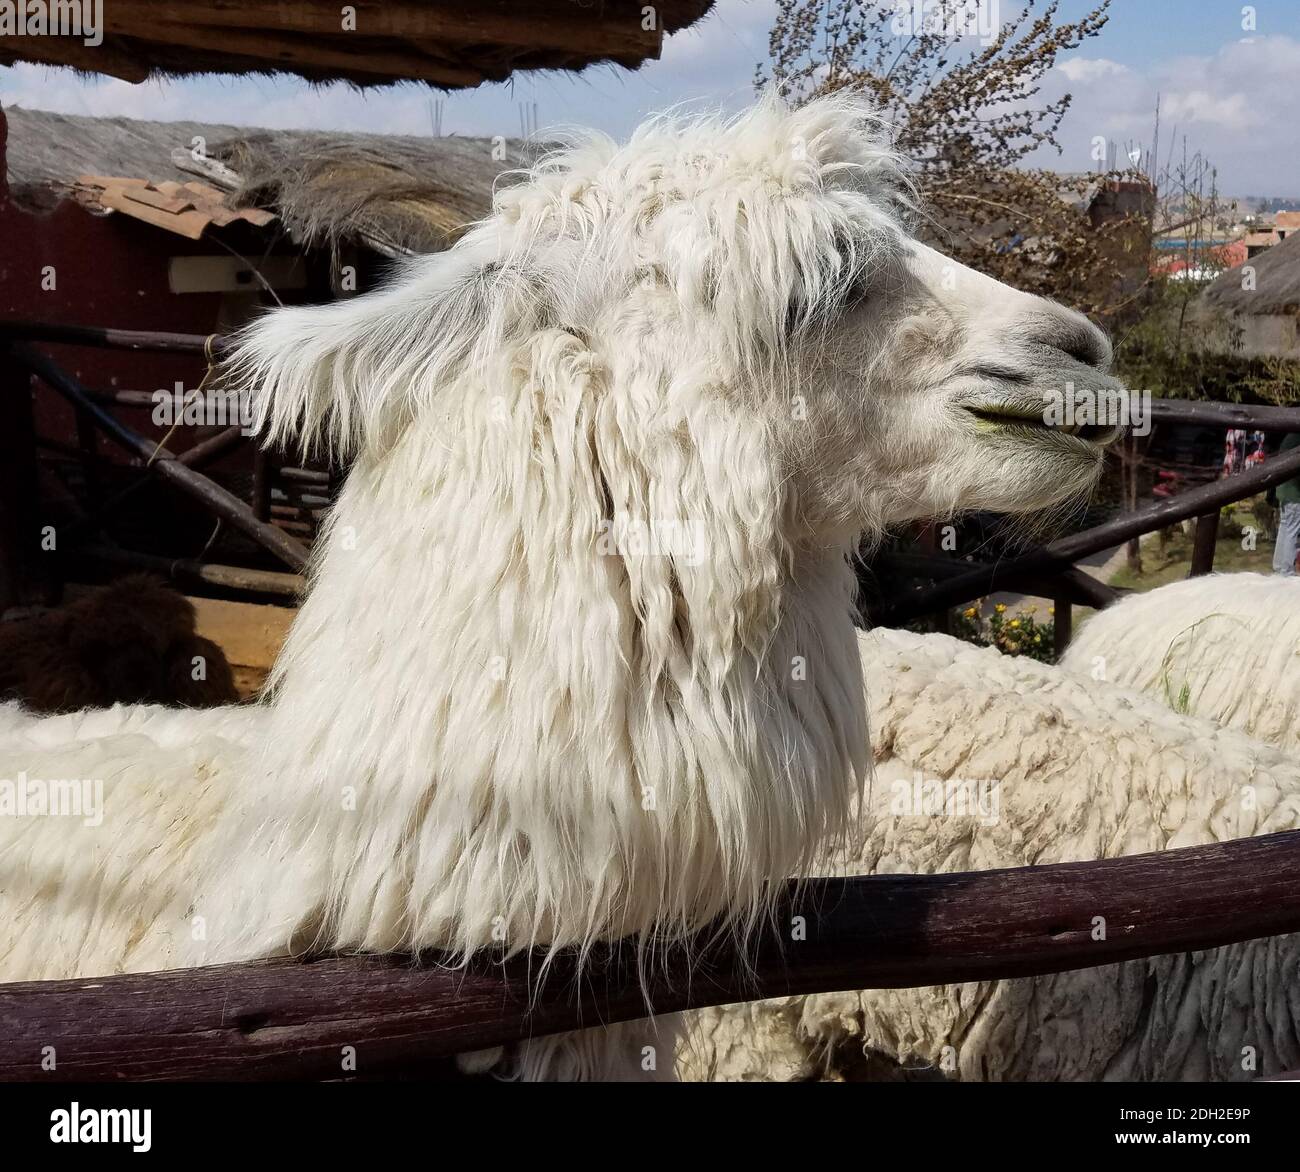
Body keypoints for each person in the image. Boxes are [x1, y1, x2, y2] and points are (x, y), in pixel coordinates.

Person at [1274, 431, 1300, 577]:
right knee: (1292, 531)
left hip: (1284, 490)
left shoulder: (1290, 436)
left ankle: (1279, 566)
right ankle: (1286, 571)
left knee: (1285, 527)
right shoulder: (1296, 438)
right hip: (1294, 492)